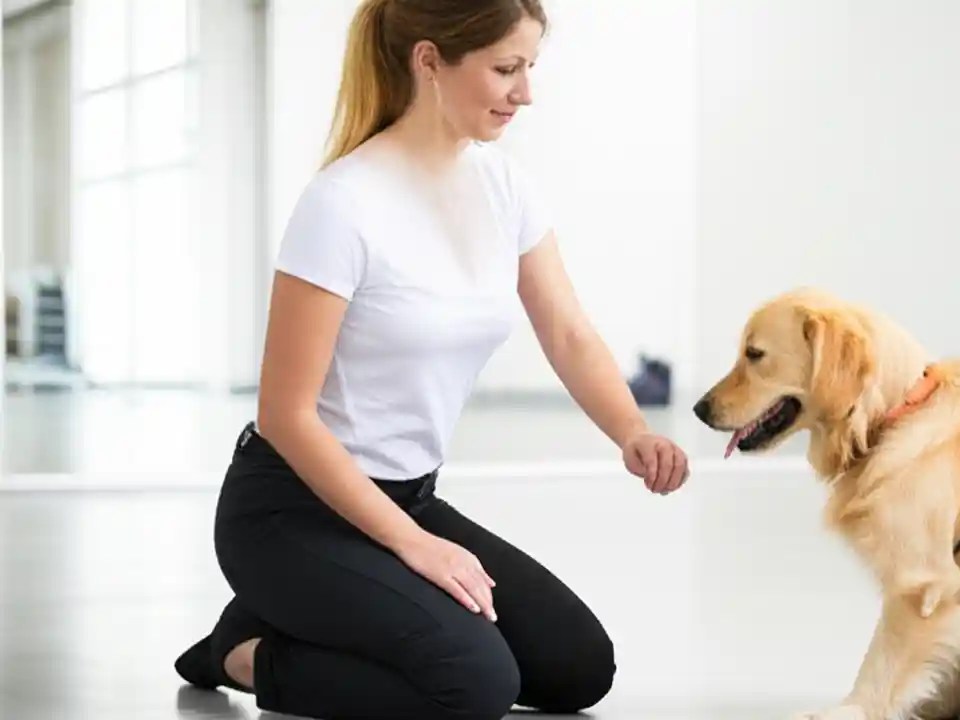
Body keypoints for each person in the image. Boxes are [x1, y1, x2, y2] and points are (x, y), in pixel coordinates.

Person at [173, 1, 691, 718]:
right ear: (428, 61)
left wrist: (633, 431)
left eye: (531, 68)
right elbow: (285, 416)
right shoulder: (342, 203)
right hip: (291, 512)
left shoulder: (503, 187)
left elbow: (567, 331)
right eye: (505, 69)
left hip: (406, 497)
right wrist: (415, 546)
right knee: (474, 684)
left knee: (577, 668)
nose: (526, 92)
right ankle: (244, 652)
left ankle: (307, 612)